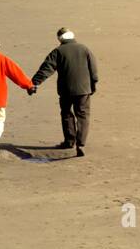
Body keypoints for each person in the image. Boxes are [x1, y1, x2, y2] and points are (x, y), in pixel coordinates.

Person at [31, 28, 98, 156]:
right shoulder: (84, 49)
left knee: (66, 114)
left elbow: (47, 68)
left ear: (60, 38)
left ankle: (69, 141)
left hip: (65, 89)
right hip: (84, 89)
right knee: (83, 116)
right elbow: (93, 69)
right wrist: (93, 84)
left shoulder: (58, 51)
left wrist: (34, 83)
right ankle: (81, 144)